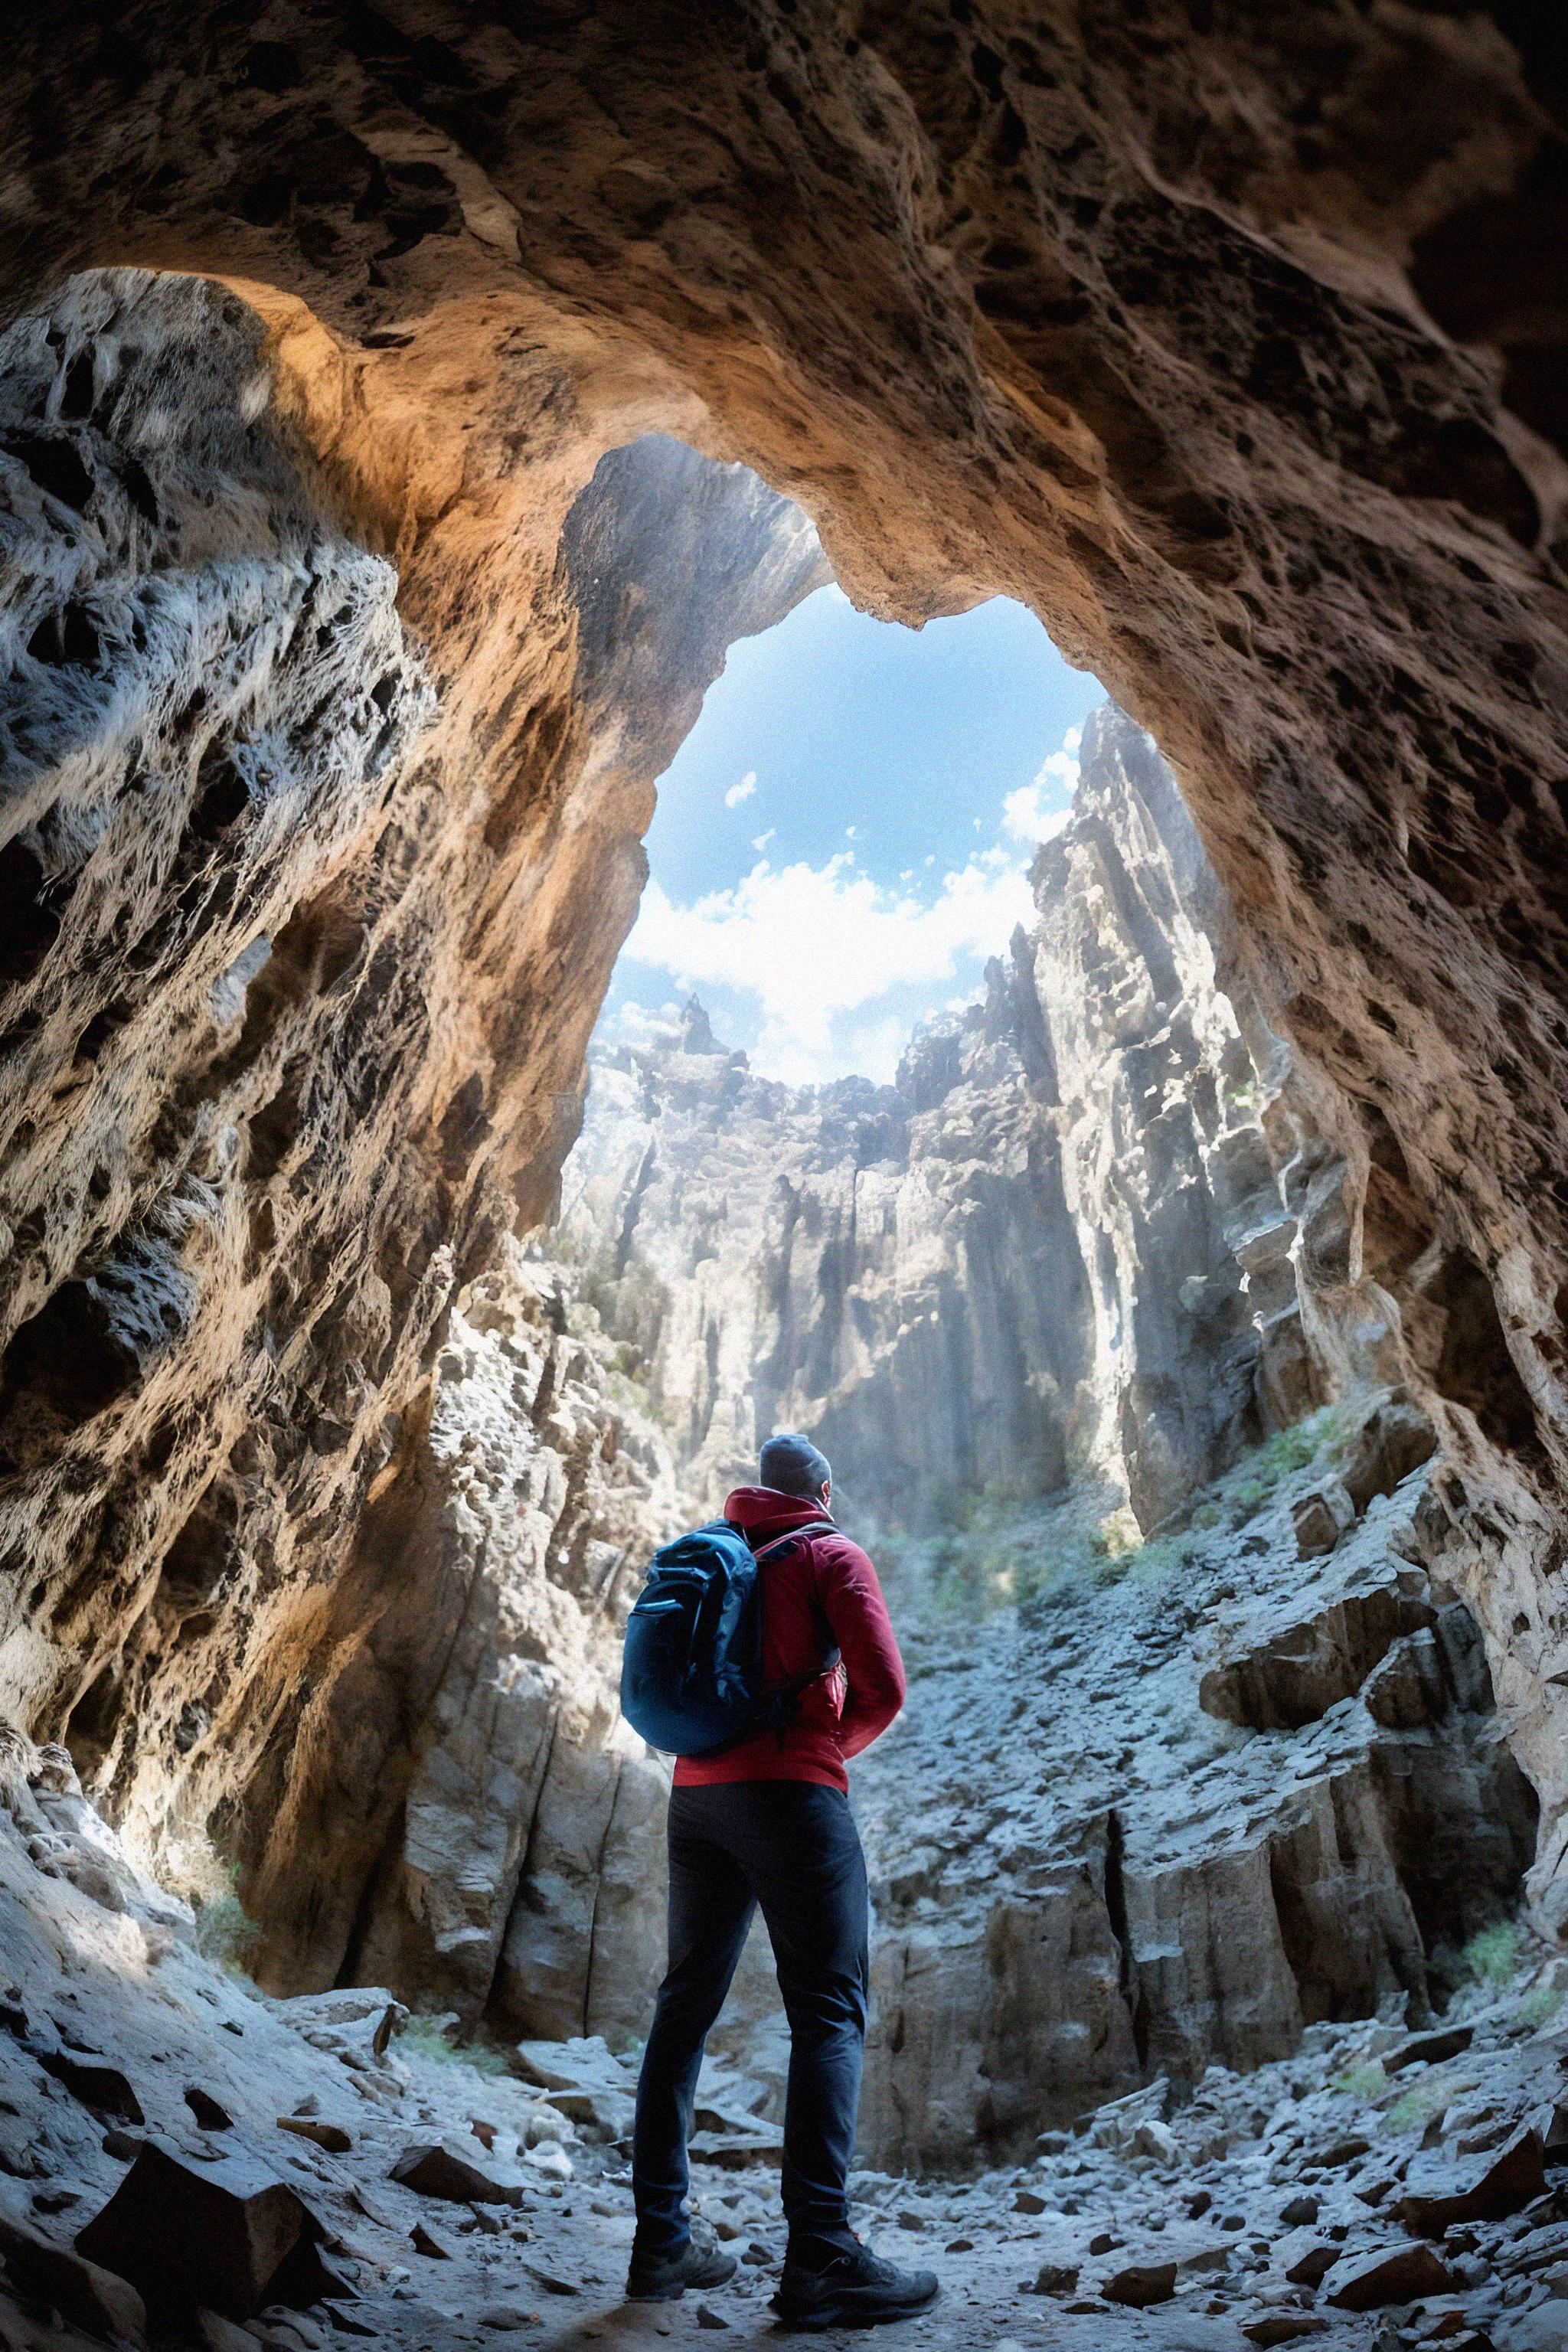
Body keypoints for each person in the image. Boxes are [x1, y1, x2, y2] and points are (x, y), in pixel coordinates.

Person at [626, 1433, 940, 2329]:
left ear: (754, 1495)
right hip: (790, 1796)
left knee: (681, 2006)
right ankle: (820, 2260)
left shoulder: (716, 1552)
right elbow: (881, 1692)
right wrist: (805, 1759)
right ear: (824, 1491)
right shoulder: (830, 1553)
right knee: (828, 2011)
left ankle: (660, 2245)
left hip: (694, 1800)